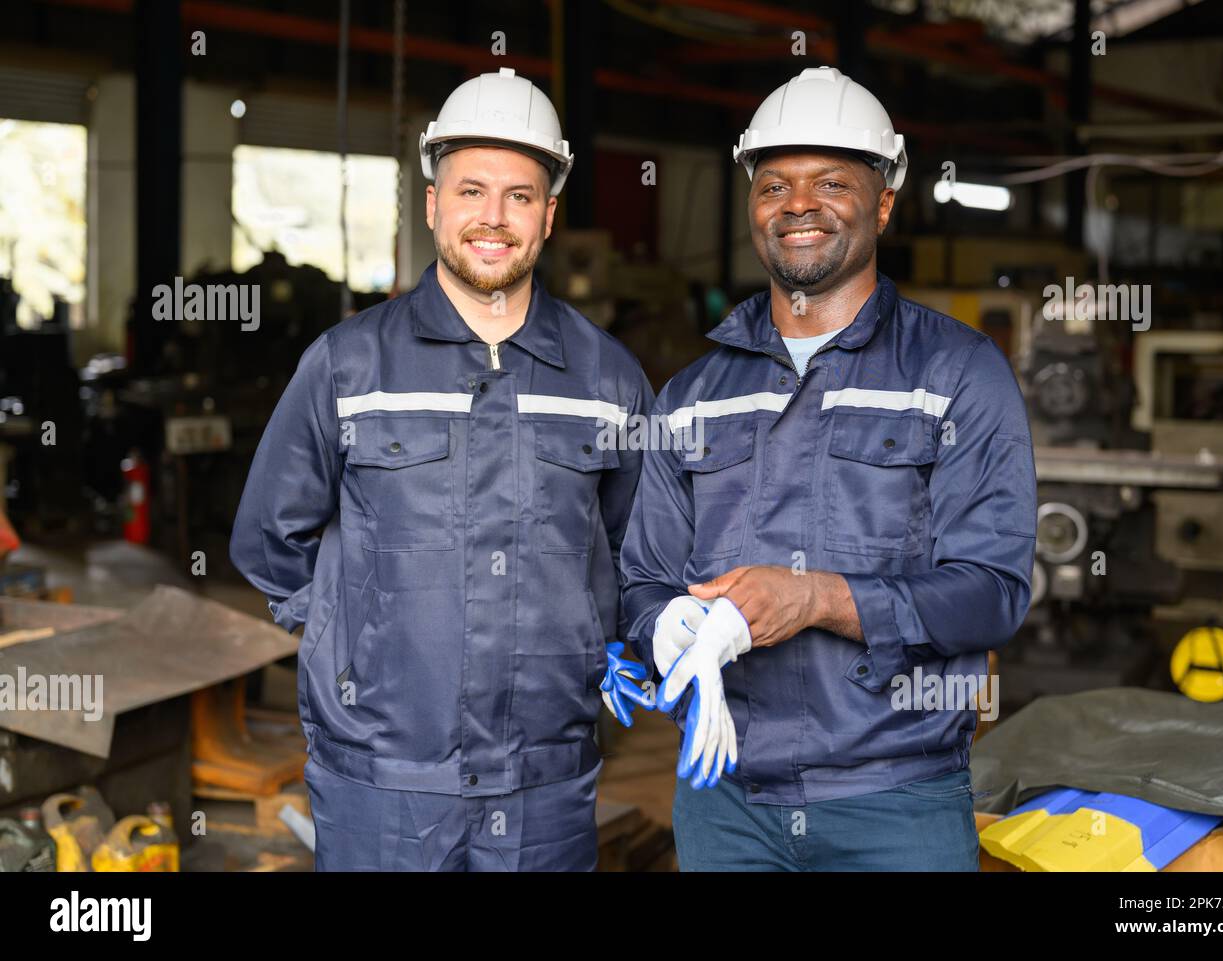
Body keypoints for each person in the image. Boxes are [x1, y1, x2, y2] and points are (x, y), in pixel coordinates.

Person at [231, 68, 654, 872]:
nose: (493, 217)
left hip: (545, 784)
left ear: (548, 214)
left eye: (519, 196)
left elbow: (639, 549)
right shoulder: (348, 364)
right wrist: (349, 651)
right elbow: (268, 539)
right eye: (471, 191)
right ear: (431, 204)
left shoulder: (608, 379)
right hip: (382, 782)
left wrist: (604, 643)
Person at [620, 66, 1037, 871]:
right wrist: (661, 627)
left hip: (896, 802)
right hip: (724, 802)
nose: (798, 204)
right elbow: (642, 577)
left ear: (883, 203)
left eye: (832, 182)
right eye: (774, 185)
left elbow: (992, 593)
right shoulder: (692, 396)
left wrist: (816, 598)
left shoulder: (957, 374)